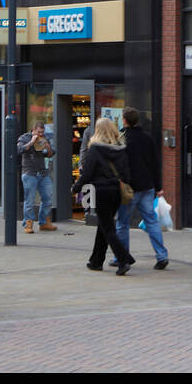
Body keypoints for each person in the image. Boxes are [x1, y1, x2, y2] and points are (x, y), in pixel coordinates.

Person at [71, 117, 136, 275]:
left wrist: (76, 188)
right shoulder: (120, 148)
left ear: (98, 130)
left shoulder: (94, 149)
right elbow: (127, 174)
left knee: (107, 228)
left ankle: (124, 259)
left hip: (101, 191)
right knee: (104, 225)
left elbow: (87, 173)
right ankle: (96, 261)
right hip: (116, 191)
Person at [113, 108, 169, 270]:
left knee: (122, 223)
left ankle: (122, 257)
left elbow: (120, 165)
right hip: (147, 186)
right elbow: (154, 164)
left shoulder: (123, 139)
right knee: (152, 221)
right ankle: (162, 255)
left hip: (129, 188)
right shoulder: (147, 138)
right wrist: (158, 187)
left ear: (124, 120)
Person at [17, 122, 57, 233]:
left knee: (47, 198)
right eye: (38, 132)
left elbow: (51, 153)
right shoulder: (24, 137)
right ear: (33, 130)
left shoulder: (44, 138)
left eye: (42, 132)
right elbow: (19, 150)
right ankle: (28, 223)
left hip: (42, 172)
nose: (40, 134)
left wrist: (48, 147)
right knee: (29, 199)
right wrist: (31, 142)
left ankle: (44, 222)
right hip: (29, 172)